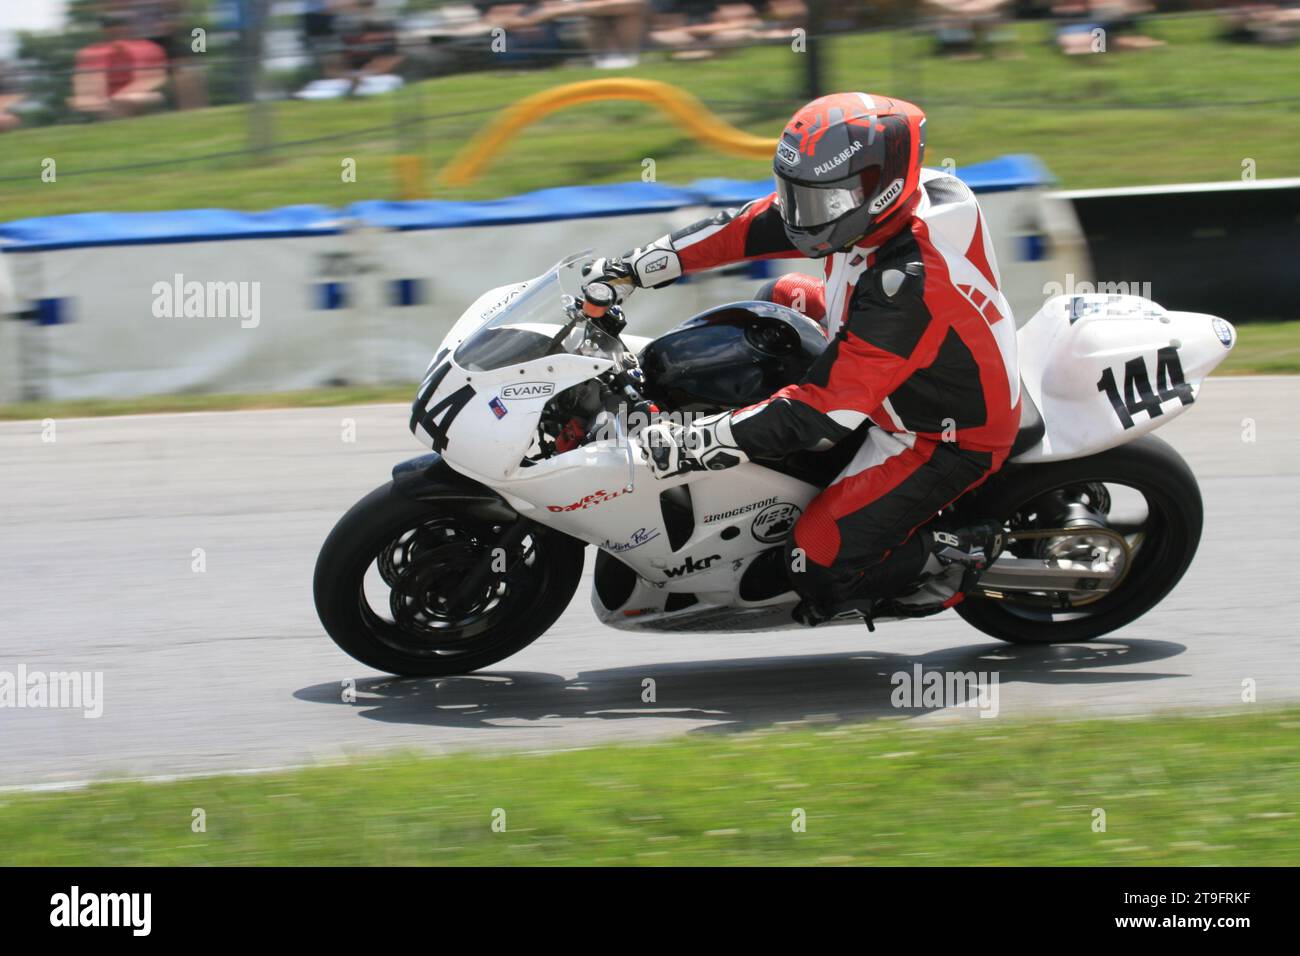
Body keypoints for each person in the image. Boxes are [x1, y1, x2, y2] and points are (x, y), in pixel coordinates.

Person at [584, 92, 1021, 624]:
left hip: (935, 433)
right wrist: (633, 269)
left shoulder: (910, 280)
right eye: (795, 195)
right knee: (778, 302)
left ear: (880, 190)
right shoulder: (895, 203)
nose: (800, 217)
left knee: (815, 561)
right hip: (896, 354)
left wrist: (696, 444)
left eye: (821, 203)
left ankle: (956, 555)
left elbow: (824, 412)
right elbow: (748, 226)